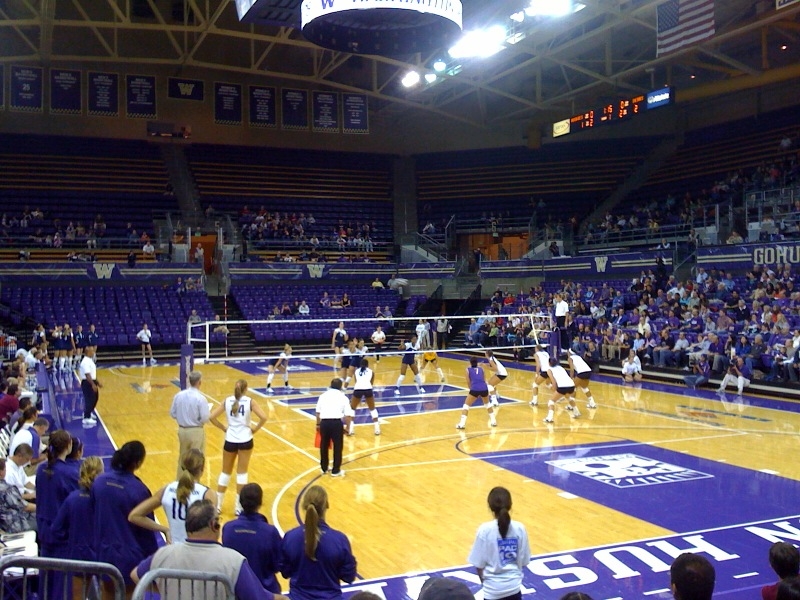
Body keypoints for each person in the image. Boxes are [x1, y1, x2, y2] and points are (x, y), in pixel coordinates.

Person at [133, 499, 286, 600]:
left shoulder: (163, 554)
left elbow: (135, 575)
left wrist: (168, 590)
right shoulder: (233, 560)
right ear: (214, 525)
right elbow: (256, 598)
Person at [93, 440, 158, 595]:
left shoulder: (100, 481)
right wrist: (152, 558)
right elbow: (146, 530)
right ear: (138, 463)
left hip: (103, 551)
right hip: (129, 557)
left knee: (106, 594)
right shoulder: (139, 489)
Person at [280, 485, 357, 599]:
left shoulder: (290, 538)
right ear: (326, 505)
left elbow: (285, 572)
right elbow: (349, 577)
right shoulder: (339, 540)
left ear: (304, 506)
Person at [128, 448, 217, 544]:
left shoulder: (167, 489)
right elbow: (214, 528)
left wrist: (164, 529)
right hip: (196, 551)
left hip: (173, 550)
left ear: (182, 466)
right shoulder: (207, 494)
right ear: (202, 468)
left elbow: (134, 516)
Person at [210, 379, 267, 515]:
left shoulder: (227, 401)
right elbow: (264, 417)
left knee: (225, 472)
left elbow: (211, 417)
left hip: (230, 439)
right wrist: (255, 429)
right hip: (245, 439)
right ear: (246, 389)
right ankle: (238, 507)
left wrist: (224, 428)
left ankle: (218, 505)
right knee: (242, 473)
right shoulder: (249, 401)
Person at [51, 456, 104, 599]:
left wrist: (71, 539)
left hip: (78, 555)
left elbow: (56, 529)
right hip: (102, 557)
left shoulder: (72, 499)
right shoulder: (105, 500)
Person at [468, 486, 531, 600]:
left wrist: (488, 583)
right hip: (514, 589)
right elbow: (524, 561)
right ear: (510, 505)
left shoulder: (484, 530)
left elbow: (478, 565)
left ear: (490, 507)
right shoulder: (520, 528)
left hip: (492, 592)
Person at [222, 483, 284, 595]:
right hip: (265, 591)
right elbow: (278, 565)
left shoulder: (228, 528)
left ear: (241, 502)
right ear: (260, 503)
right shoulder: (270, 532)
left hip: (236, 592)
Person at [36, 431, 78, 560]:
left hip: (43, 526)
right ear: (69, 446)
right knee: (61, 576)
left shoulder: (41, 469)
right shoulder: (70, 473)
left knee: (46, 574)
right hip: (61, 532)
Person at [170, 370, 210, 479]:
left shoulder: (178, 395)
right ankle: (193, 484)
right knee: (196, 459)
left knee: (182, 457)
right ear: (199, 382)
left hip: (182, 430)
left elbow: (172, 414)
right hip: (196, 431)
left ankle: (179, 482)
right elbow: (205, 418)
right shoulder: (201, 398)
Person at [315, 378, 349, 476]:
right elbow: (348, 415)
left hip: (324, 423)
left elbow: (318, 411)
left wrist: (318, 424)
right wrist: (347, 427)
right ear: (340, 387)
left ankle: (324, 468)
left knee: (324, 445)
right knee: (338, 446)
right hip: (336, 423)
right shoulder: (343, 397)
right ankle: (336, 470)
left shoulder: (323, 396)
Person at [456, 356, 497, 430]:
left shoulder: (468, 370)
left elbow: (468, 381)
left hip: (474, 388)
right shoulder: (481, 369)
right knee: (487, 404)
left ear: (470, 363)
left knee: (466, 406)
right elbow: (484, 379)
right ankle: (493, 421)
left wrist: (471, 390)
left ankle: (461, 424)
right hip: (484, 388)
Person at [0, 458, 37, 533]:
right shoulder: (6, 489)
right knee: (46, 521)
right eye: (5, 469)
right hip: (12, 525)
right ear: (1, 472)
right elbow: (25, 507)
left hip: (4, 522)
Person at [345, 359, 381, 436]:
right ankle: (377, 429)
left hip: (358, 389)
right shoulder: (371, 372)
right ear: (367, 365)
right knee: (372, 408)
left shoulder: (356, 371)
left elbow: (356, 382)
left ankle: (351, 429)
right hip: (368, 389)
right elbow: (371, 383)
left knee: (352, 408)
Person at [544, 357, 581, 423]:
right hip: (571, 385)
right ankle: (576, 412)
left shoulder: (549, 370)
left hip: (563, 387)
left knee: (551, 401)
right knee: (568, 397)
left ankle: (549, 418)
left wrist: (555, 391)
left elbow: (554, 382)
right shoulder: (561, 368)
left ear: (549, 363)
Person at [78, 345, 101, 427]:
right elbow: (87, 374)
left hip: (91, 381)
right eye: (92, 351)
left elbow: (92, 373)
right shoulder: (85, 362)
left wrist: (97, 382)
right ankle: (86, 418)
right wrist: (93, 384)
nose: (93, 352)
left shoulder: (89, 360)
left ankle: (89, 412)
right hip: (87, 382)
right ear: (88, 352)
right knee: (90, 399)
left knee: (95, 398)